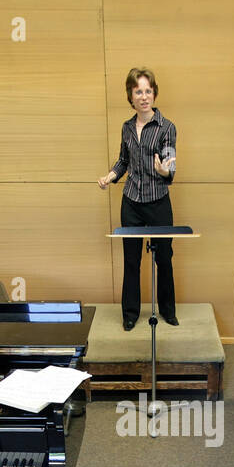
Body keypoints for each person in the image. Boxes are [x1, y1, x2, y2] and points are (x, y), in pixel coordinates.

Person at [99, 67, 178, 331]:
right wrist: (110, 177)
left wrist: (164, 170)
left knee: (164, 258)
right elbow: (123, 161)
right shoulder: (126, 128)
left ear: (154, 94)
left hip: (158, 202)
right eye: (138, 92)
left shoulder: (167, 127)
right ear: (131, 97)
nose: (143, 96)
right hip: (131, 202)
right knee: (131, 260)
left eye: (147, 91)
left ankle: (168, 311)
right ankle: (130, 314)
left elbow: (170, 166)